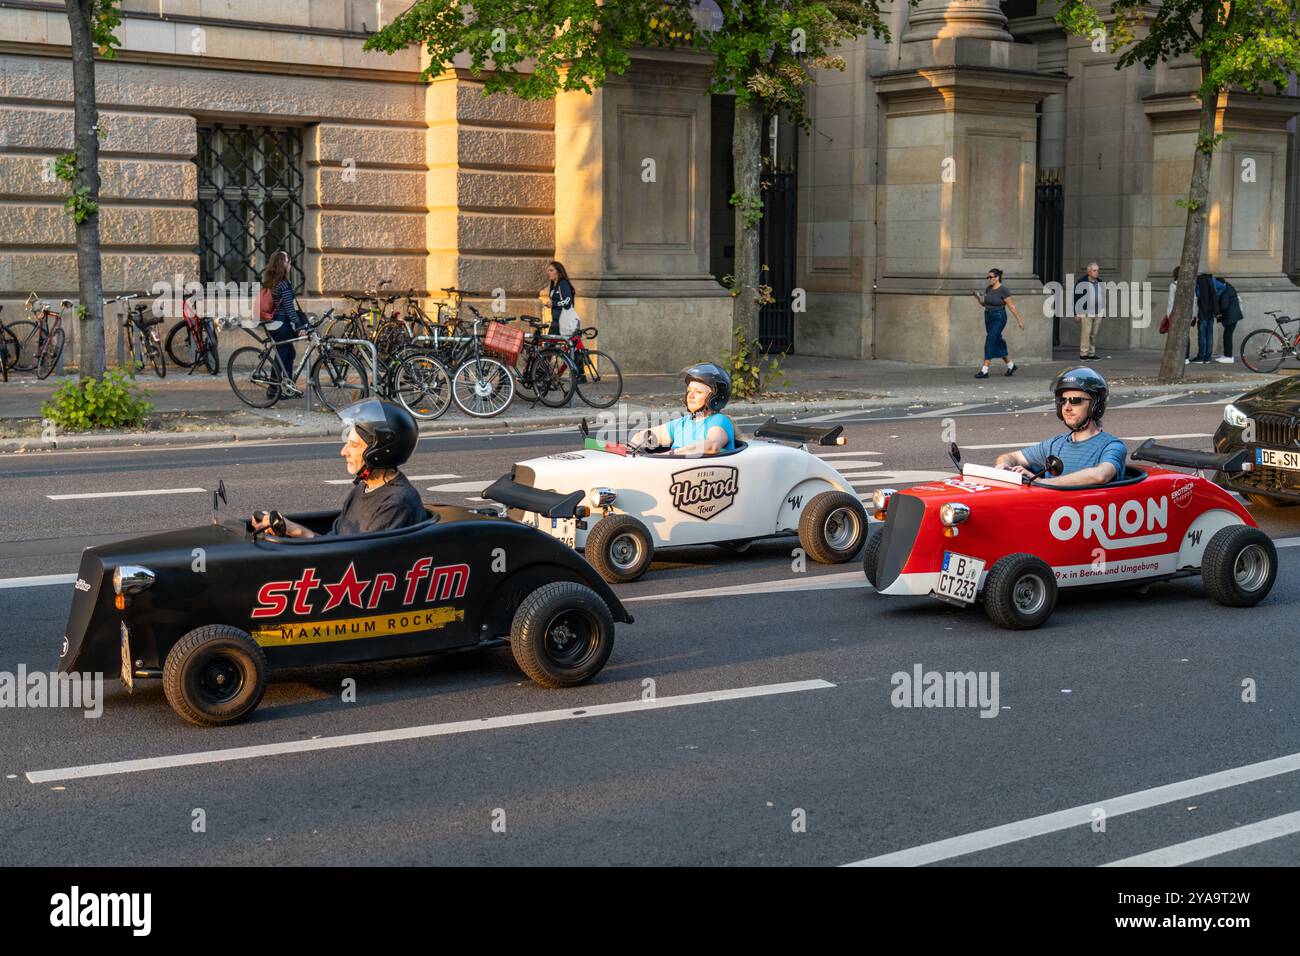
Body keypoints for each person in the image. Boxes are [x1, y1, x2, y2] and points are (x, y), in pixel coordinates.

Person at [251, 399, 425, 538]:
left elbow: (361, 561)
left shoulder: (397, 504)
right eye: (347, 443)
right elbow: (335, 543)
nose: (344, 451)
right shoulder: (363, 488)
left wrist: (298, 532)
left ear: (381, 452)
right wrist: (291, 530)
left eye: (354, 445)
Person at [994, 367, 1126, 486]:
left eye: (1075, 400)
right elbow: (1012, 457)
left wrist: (1042, 482)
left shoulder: (1111, 446)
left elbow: (1100, 475)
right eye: (1062, 401)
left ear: (1095, 406)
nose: (1067, 407)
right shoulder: (1054, 445)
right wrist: (1004, 466)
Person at [632, 363, 736, 456]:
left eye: (698, 392)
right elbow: (641, 437)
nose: (690, 396)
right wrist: (632, 447)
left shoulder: (720, 420)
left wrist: (671, 454)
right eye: (689, 391)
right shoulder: (682, 423)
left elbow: (712, 446)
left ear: (716, 398)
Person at [261, 250, 303, 395]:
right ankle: (274, 389)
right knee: (284, 353)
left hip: (273, 322)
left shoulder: (271, 281)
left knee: (288, 353)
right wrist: (299, 326)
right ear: (283, 264)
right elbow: (290, 309)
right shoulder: (284, 284)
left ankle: (286, 387)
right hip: (281, 323)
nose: (290, 265)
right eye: (288, 262)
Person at [972, 268, 1025, 378]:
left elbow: (1011, 306)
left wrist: (1019, 320)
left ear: (997, 278)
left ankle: (985, 370)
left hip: (999, 317)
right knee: (996, 341)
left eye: (991, 277)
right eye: (988, 277)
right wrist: (978, 298)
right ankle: (1011, 365)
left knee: (990, 339)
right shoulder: (988, 289)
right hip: (988, 316)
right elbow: (984, 304)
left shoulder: (1003, 290)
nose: (989, 279)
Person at [1073, 262, 1105, 360]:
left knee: (1093, 334)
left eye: (1097, 270)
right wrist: (1076, 313)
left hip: (1098, 312)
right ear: (1089, 271)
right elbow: (1076, 298)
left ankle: (1091, 353)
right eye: (1094, 270)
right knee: (1086, 333)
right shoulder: (1081, 282)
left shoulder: (1100, 282)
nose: (1097, 272)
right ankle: (1083, 354)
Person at [539, 261, 577, 336]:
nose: (548, 273)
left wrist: (554, 304)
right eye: (548, 270)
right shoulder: (554, 286)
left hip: (564, 321)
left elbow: (568, 301)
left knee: (552, 345)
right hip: (555, 321)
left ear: (558, 272)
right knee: (550, 344)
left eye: (551, 270)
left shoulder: (563, 283)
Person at [1214, 276, 1243, 363]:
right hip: (1233, 316)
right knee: (1227, 335)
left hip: (1231, 316)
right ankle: (1227, 355)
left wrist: (1217, 308)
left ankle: (1229, 356)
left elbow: (1224, 305)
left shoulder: (1226, 290)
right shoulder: (1228, 287)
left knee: (1227, 336)